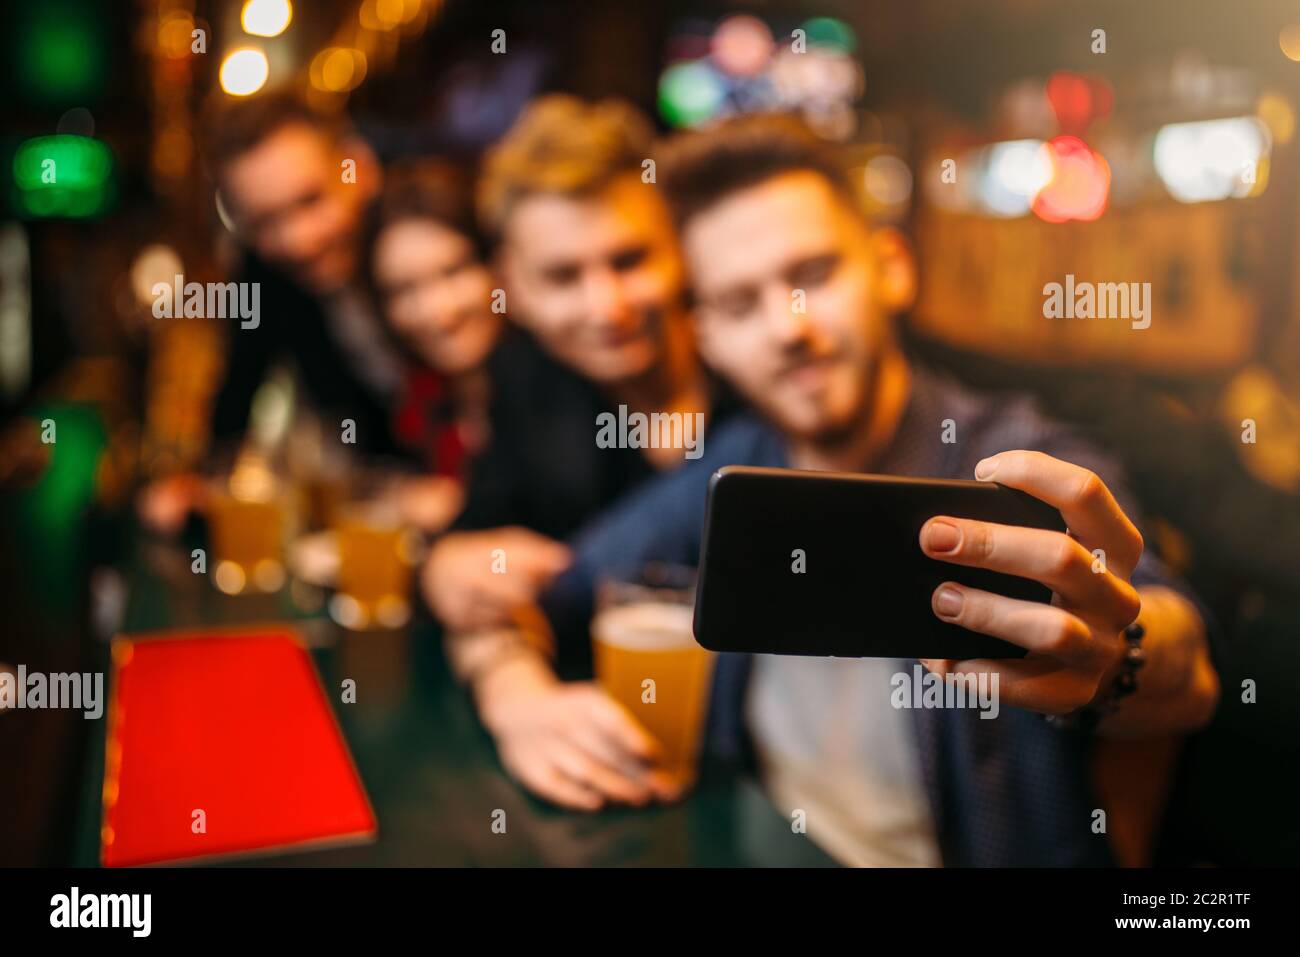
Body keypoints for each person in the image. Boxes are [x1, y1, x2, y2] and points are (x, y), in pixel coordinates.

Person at [443, 114, 1220, 866]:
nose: (788, 327)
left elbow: (1183, 662)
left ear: (890, 267)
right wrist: (514, 694)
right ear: (707, 336)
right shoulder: (737, 472)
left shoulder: (1015, 464)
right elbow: (535, 594)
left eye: (812, 275)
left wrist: (1124, 652)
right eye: (739, 304)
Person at [421, 95, 735, 653]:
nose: (607, 308)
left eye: (629, 260)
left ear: (683, 247)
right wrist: (447, 565)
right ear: (513, 288)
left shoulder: (753, 361)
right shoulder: (524, 383)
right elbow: (478, 539)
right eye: (563, 277)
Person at [139, 92, 407, 533]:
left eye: (310, 201)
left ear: (358, 169)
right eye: (265, 222)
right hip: (387, 515)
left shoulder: (427, 237)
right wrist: (199, 480)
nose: (298, 241)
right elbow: (240, 383)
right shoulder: (264, 274)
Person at [364, 159, 504, 532]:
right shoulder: (424, 397)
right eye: (403, 290)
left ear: (499, 264)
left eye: (454, 271)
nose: (438, 313)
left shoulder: (557, 384)